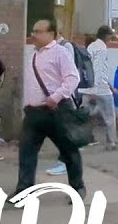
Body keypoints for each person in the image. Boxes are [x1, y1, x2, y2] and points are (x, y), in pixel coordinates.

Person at [16, 18, 86, 199]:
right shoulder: (30, 54)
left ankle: (77, 188)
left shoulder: (60, 53)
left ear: (51, 34)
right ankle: (24, 190)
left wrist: (56, 96)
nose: (34, 35)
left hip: (56, 111)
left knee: (68, 150)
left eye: (39, 31)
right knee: (26, 152)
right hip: (33, 113)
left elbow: (72, 78)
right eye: (33, 31)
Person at [80, 25, 118, 151]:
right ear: (107, 36)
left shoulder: (91, 47)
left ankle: (82, 139)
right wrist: (106, 87)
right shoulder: (102, 49)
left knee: (84, 114)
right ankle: (111, 142)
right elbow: (99, 71)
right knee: (109, 117)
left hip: (87, 87)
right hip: (100, 88)